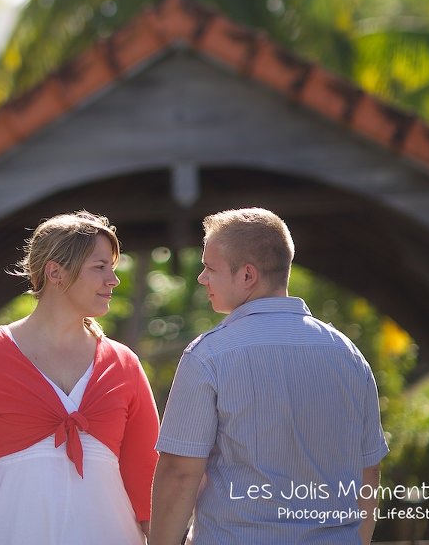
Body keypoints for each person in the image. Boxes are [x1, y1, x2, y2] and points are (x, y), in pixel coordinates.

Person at [149, 208, 389, 545]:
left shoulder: (208, 356)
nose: (202, 278)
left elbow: (180, 473)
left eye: (210, 268)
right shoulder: (348, 355)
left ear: (247, 275)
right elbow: (368, 471)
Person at [0, 209, 160, 545]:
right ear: (55, 272)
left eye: (112, 268)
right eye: (100, 267)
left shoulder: (124, 363)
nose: (113, 280)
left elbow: (147, 482)